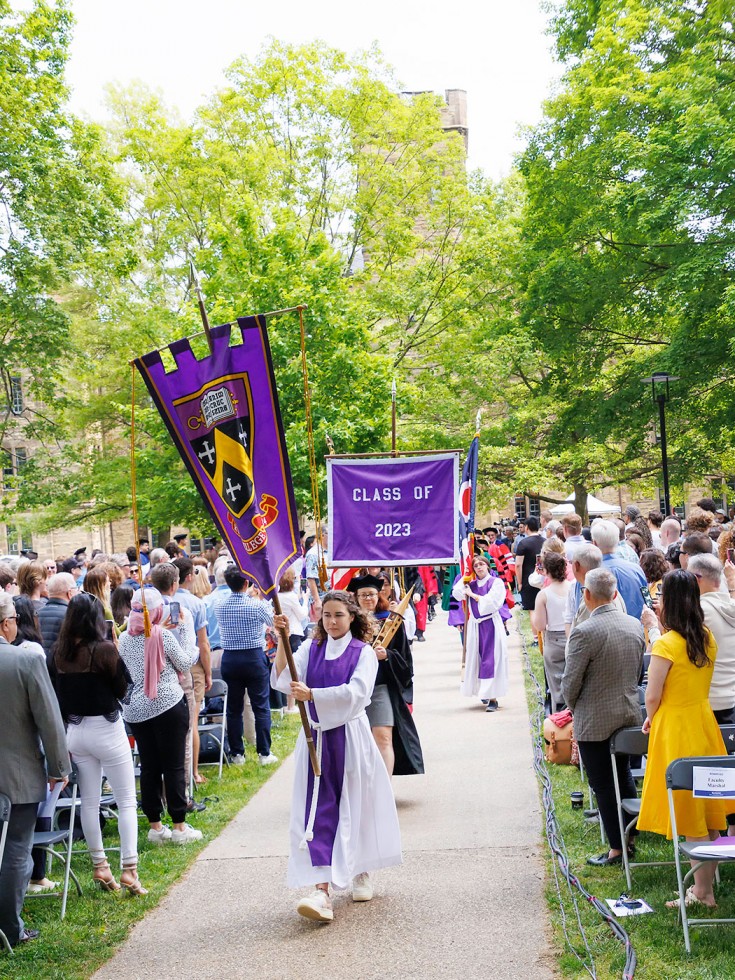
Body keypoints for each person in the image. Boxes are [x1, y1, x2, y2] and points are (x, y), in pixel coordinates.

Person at [271, 591, 402, 923]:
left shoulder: (364, 654)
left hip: (350, 738)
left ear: (352, 617)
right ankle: (322, 890)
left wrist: (313, 694)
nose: (331, 621)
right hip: (315, 737)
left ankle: (360, 871)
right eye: (326, 615)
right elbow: (284, 680)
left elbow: (357, 695)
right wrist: (281, 640)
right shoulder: (310, 648)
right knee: (317, 808)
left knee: (356, 805)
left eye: (338, 615)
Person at [637, 570, 729, 908]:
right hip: (703, 723)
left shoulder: (666, 644)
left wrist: (650, 717)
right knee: (707, 809)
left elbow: (652, 694)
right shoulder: (705, 637)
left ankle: (703, 891)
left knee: (690, 812)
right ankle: (705, 887)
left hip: (676, 727)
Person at [51, 593, 145, 894]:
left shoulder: (58, 653)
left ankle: (100, 864)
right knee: (126, 799)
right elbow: (122, 689)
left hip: (75, 731)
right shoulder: (104, 650)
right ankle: (129, 868)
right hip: (106, 728)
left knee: (89, 800)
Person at [0, 592, 71, 947]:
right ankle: (10, 929)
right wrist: (60, 766)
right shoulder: (24, 661)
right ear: (7, 623)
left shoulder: (24, 660)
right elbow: (50, 719)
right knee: (16, 849)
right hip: (18, 775)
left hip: (16, 773)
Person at [562, 568, 645, 866]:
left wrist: (574, 707)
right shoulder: (634, 624)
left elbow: (570, 683)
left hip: (595, 717)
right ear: (615, 593)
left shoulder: (585, 631)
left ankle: (616, 848)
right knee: (622, 776)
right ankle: (629, 838)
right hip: (627, 711)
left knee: (603, 784)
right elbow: (638, 673)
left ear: (586, 594)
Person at [118, 589, 202, 845]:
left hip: (137, 709)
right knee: (173, 764)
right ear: (156, 612)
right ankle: (179, 825)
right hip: (167, 703)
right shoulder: (162, 635)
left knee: (150, 765)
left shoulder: (123, 638)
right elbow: (185, 662)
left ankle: (155, 825)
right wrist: (187, 632)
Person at [348, 573, 424, 776]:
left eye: (372, 594)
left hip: (380, 687)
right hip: (352, 690)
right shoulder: (347, 625)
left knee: (383, 736)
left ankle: (385, 791)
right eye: (363, 595)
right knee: (358, 741)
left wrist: (387, 655)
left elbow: (405, 659)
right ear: (355, 597)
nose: (368, 599)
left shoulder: (390, 623)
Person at [215, 565, 277, 766]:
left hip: (230, 658)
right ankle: (264, 753)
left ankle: (237, 753)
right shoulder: (256, 605)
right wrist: (258, 596)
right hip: (253, 657)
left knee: (233, 708)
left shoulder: (219, 605)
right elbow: (271, 619)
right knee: (260, 706)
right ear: (246, 582)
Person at [453, 554, 509, 711]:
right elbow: (457, 594)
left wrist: (473, 595)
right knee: (477, 659)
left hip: (490, 624)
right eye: (475, 565)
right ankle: (483, 692)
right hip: (475, 626)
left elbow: (492, 602)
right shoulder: (469, 583)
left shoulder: (495, 582)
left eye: (481, 564)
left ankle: (493, 698)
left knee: (492, 660)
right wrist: (464, 577)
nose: (478, 567)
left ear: (487, 566)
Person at [530, 552, 571, 713]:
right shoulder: (574, 587)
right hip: (573, 637)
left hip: (553, 639)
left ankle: (559, 719)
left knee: (556, 685)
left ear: (546, 571)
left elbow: (540, 625)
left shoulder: (544, 594)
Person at [590, 520, 647, 619]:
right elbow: (647, 600)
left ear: (594, 543)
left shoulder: (592, 574)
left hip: (607, 630)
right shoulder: (637, 569)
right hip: (638, 628)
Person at [514, 516, 545, 610]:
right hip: (543, 579)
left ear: (526, 527)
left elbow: (518, 565)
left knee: (531, 610)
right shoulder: (545, 541)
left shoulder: (523, 543)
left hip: (527, 581)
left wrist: (519, 583)